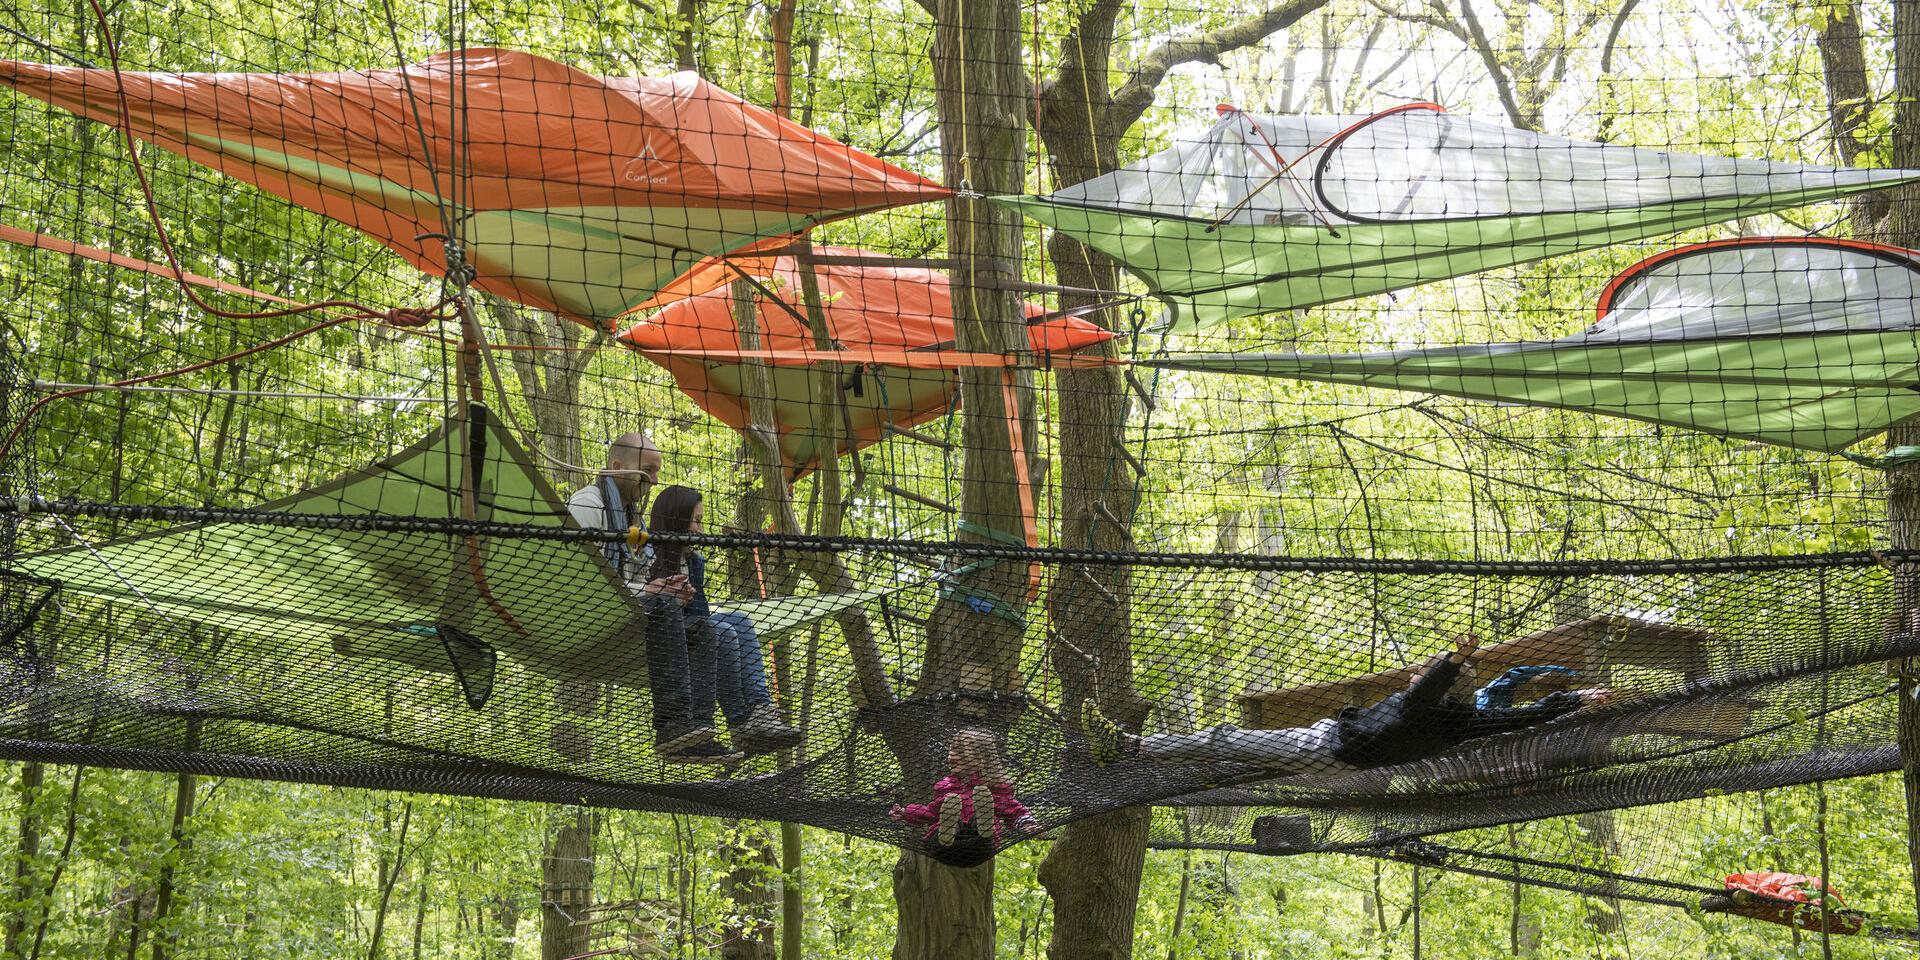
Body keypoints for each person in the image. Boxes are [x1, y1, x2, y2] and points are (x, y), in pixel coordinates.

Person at [567, 435, 799, 760]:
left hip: (640, 615)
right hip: (599, 621)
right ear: (617, 466)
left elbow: (642, 578)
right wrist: (652, 591)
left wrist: (667, 588)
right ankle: (685, 724)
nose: (654, 480)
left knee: (733, 622)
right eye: (648, 470)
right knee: (717, 629)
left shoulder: (633, 519)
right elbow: (581, 583)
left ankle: (738, 722)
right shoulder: (589, 505)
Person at [1083, 635, 1611, 775]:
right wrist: (1575, 699)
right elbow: (1524, 716)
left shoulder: (1429, 708)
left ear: (1441, 685)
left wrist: (1455, 659)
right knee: (1237, 754)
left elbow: (1426, 689)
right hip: (1333, 749)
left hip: (1323, 749)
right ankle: (1163, 759)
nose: (1415, 674)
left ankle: (1128, 748)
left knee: (1225, 737)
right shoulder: (1465, 724)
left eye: (1424, 671)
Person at [890, 727, 1040, 860]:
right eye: (951, 751)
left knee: (978, 827)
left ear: (981, 759)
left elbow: (1013, 811)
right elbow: (931, 813)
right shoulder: (946, 787)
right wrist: (906, 812)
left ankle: (982, 826)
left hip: (979, 846)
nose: (951, 757)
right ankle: (950, 830)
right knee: (946, 825)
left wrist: (1028, 824)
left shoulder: (993, 789)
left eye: (959, 752)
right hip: (944, 847)